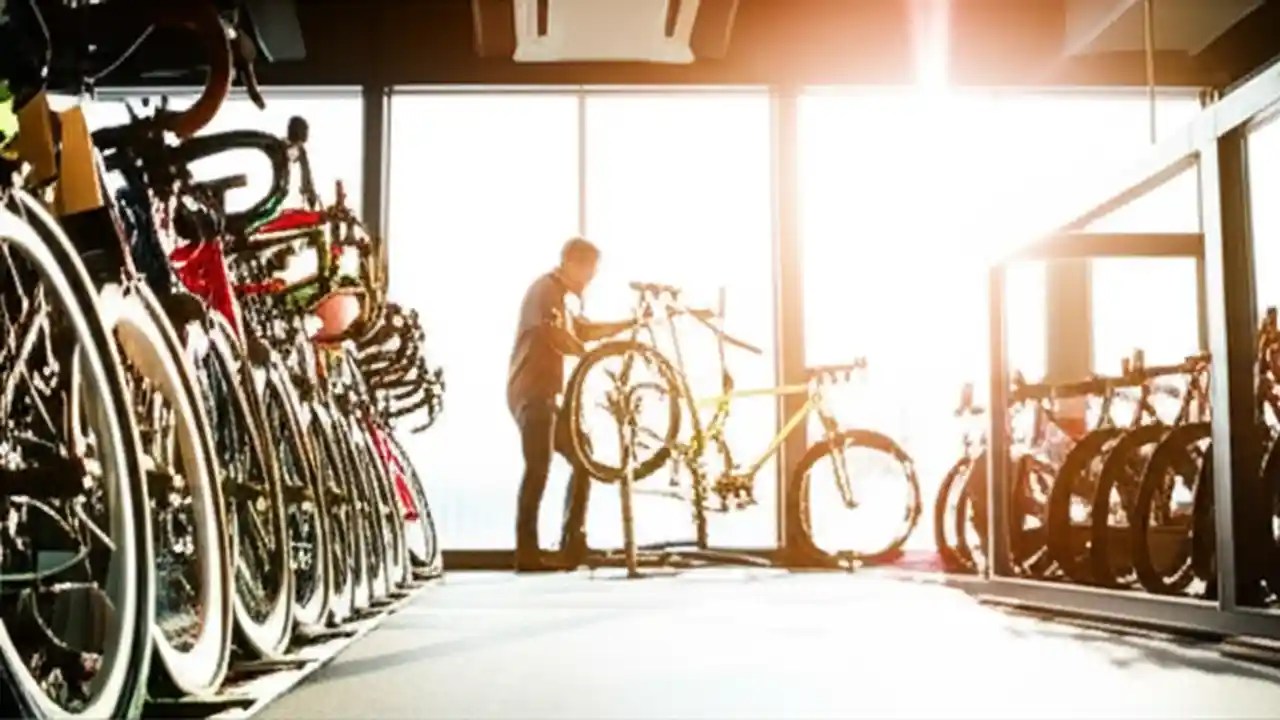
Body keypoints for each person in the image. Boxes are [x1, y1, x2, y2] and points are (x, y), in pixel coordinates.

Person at [508, 237, 632, 572]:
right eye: (588, 271)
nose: (589, 279)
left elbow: (584, 330)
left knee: (583, 457)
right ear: (570, 263)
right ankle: (527, 554)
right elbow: (555, 336)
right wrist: (586, 353)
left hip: (549, 394)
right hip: (533, 392)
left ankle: (572, 542)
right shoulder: (545, 291)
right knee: (538, 467)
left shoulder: (563, 298)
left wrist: (628, 325)